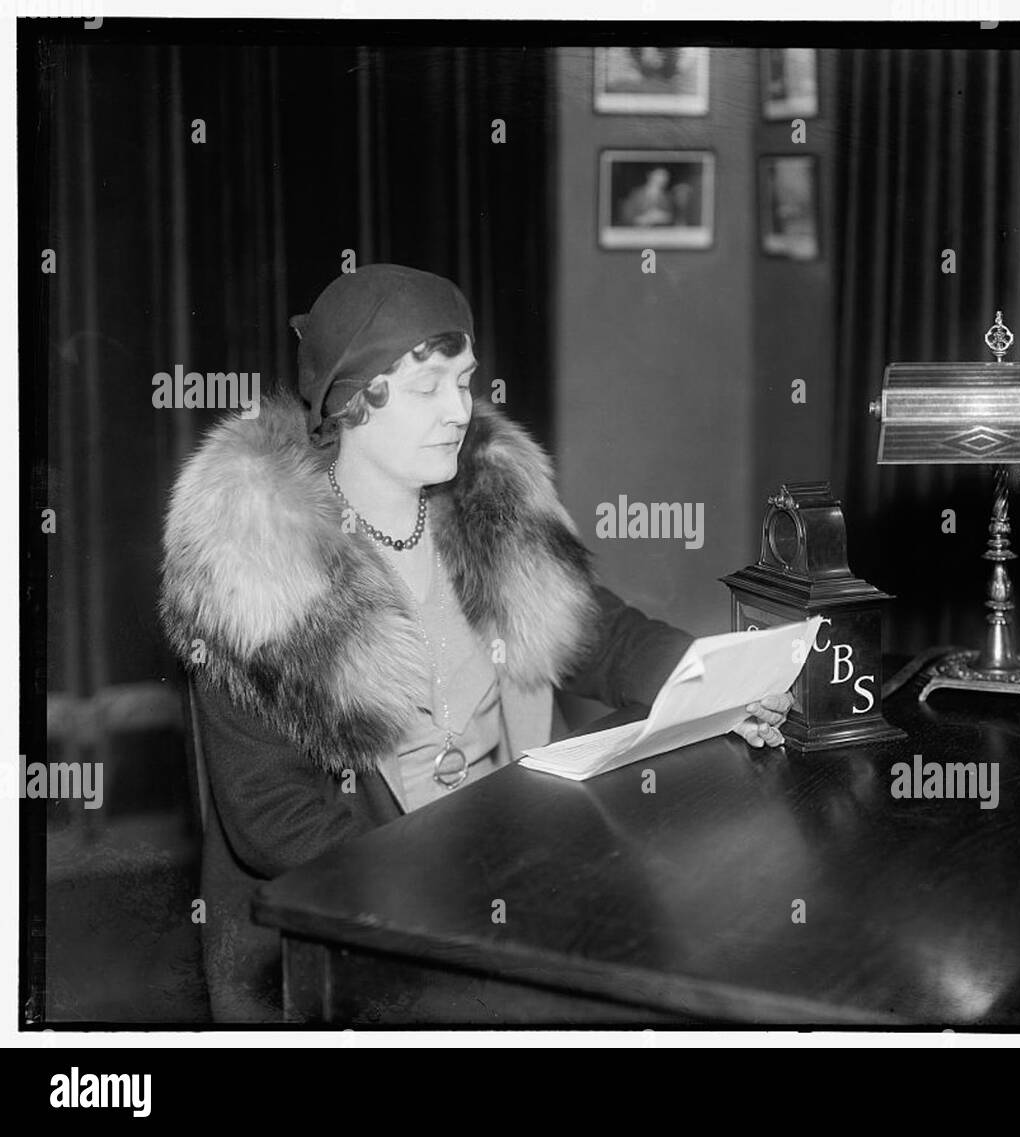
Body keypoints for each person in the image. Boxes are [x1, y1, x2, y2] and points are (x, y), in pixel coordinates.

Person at [159, 264, 794, 1022]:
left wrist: (712, 682)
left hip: (517, 872)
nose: (460, 410)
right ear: (352, 400)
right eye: (428, 389)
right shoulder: (254, 564)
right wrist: (445, 878)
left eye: (465, 382)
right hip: (349, 916)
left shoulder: (487, 505)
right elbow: (273, 815)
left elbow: (600, 633)